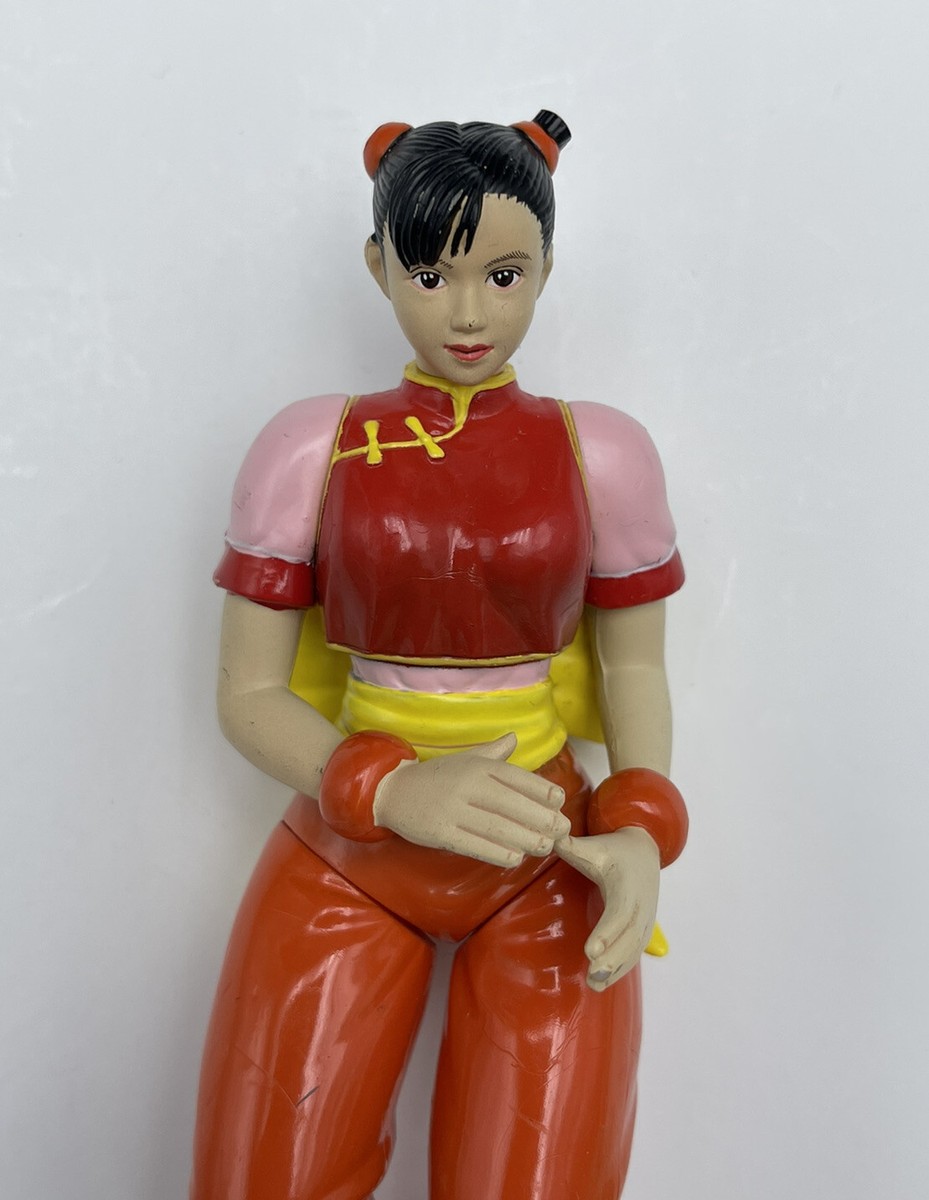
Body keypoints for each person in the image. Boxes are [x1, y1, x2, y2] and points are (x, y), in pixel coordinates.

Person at [191, 110, 687, 1200]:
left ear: (546, 266)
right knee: (260, 1174)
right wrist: (387, 787)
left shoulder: (601, 453)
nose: (467, 313)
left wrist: (642, 827)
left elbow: (634, 669)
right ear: (378, 267)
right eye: (429, 273)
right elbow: (247, 692)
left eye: (503, 275)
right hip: (347, 850)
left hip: (547, 856)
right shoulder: (309, 446)